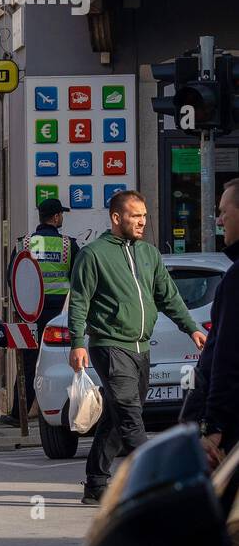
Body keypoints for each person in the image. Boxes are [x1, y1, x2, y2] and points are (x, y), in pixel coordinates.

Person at [68, 189, 207, 504]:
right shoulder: (94, 255)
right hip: (109, 345)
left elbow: (168, 296)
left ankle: (96, 483)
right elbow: (79, 302)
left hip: (141, 347)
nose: (143, 221)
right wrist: (77, 343)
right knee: (131, 416)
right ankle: (160, 486)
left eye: (144, 215)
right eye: (135, 215)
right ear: (117, 218)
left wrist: (191, 328)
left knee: (119, 415)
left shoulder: (149, 254)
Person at [4, 198, 80, 426]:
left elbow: (13, 277)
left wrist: (21, 306)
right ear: (56, 217)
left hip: (30, 311)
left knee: (28, 362)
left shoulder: (23, 243)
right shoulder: (68, 245)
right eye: (61, 215)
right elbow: (79, 279)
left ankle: (20, 414)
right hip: (60, 312)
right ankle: (69, 407)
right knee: (63, 360)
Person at [181, 179, 239, 469]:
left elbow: (226, 356)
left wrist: (212, 426)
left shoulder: (235, 279)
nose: (219, 221)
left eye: (224, 212)